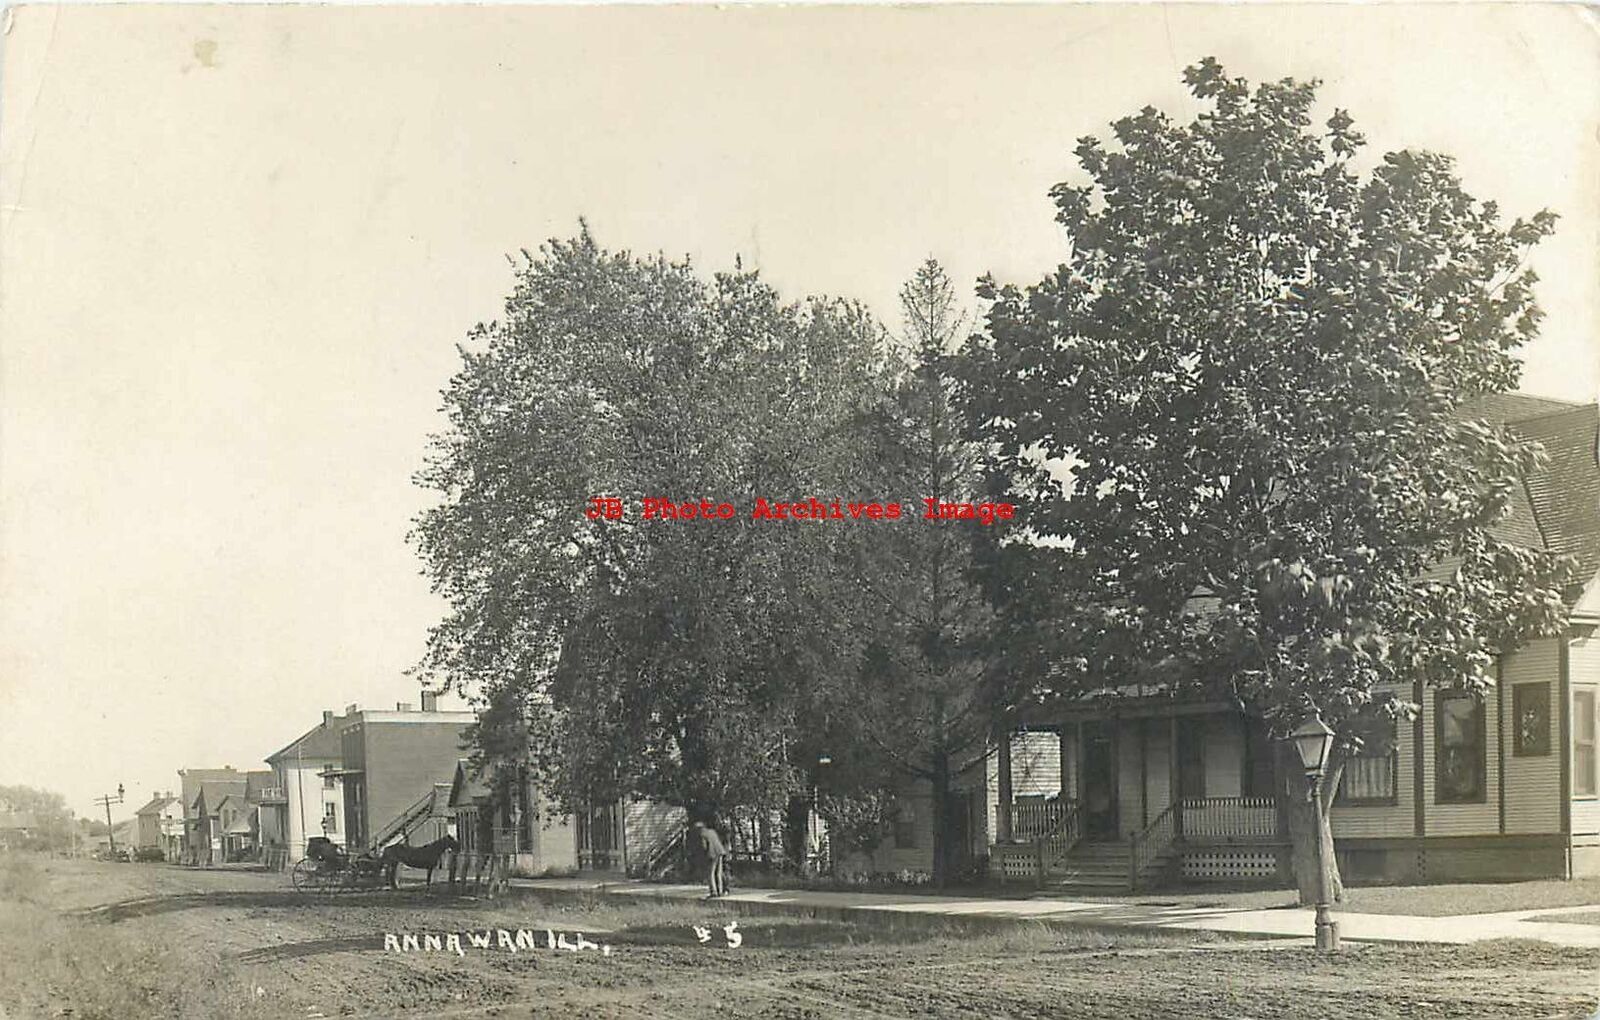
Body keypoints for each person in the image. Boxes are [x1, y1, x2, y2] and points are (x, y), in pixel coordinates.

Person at [693, 819, 728, 898]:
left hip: (712, 854)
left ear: (699, 829)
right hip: (720, 852)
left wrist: (703, 855)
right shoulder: (712, 831)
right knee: (719, 872)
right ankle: (721, 891)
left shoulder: (702, 834)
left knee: (710, 873)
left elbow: (704, 846)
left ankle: (714, 892)